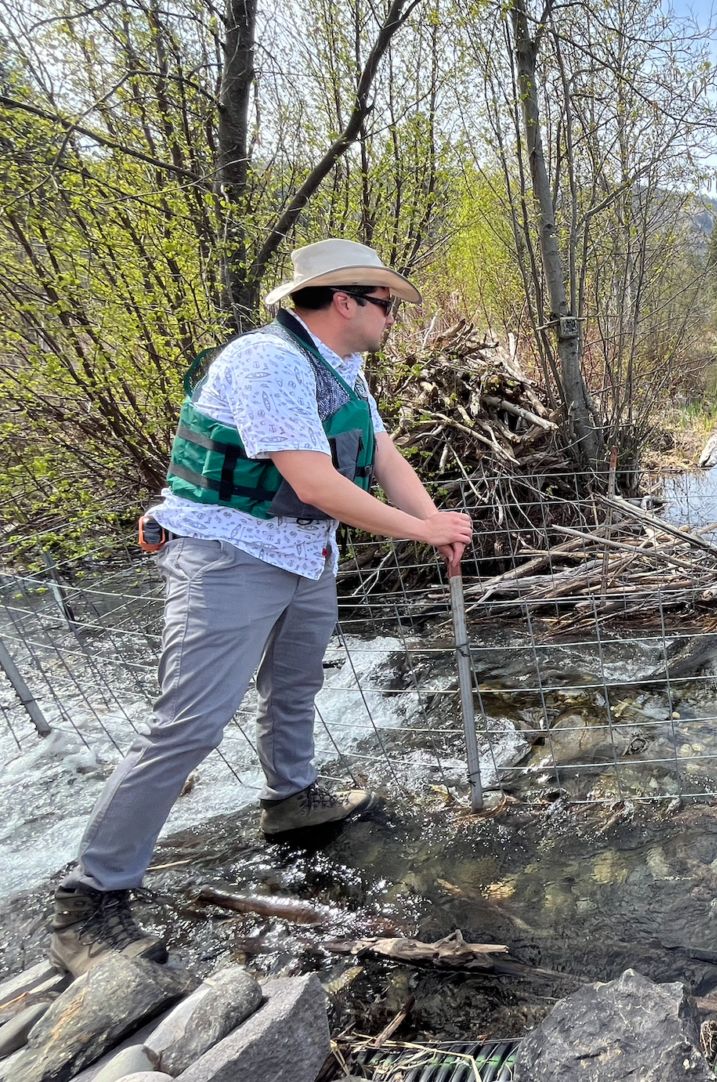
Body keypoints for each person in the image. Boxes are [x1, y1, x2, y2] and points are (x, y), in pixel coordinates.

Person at [49, 239, 473, 976]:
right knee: (188, 724)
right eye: (385, 304)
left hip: (304, 558)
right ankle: (91, 898)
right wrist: (419, 529)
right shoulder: (268, 362)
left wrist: (440, 524)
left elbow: (378, 453)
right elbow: (313, 483)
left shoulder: (344, 368)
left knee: (297, 684)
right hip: (226, 556)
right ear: (344, 301)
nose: (392, 318)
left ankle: (292, 798)